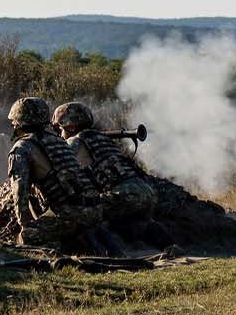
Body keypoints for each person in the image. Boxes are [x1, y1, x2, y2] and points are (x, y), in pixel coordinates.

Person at [52, 101, 173, 249]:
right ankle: (170, 246)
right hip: (147, 192)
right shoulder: (103, 139)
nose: (60, 134)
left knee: (88, 214)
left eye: (60, 129)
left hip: (124, 195)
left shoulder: (74, 141)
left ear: (70, 126)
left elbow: (63, 169)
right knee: (140, 223)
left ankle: (112, 252)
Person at [6, 97, 114, 253]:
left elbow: (20, 191)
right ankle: (90, 236)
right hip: (95, 209)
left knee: (27, 237)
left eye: (14, 122)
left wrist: (26, 225)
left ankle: (71, 246)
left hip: (69, 213)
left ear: (19, 122)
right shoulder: (59, 141)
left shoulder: (22, 148)